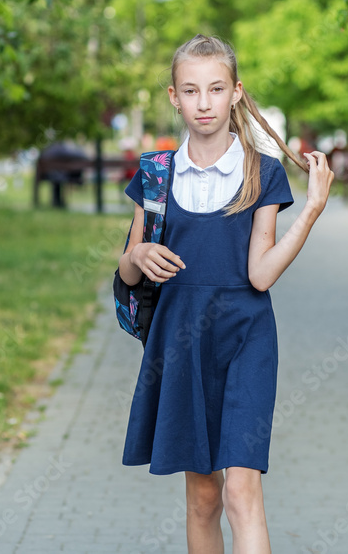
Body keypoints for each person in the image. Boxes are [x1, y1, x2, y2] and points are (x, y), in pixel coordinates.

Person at [117, 34, 335, 553]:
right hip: (180, 341)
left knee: (241, 489)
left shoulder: (263, 171)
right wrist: (138, 256)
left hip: (246, 341)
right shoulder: (155, 175)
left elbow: (260, 275)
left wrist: (309, 212)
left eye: (216, 89)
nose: (204, 102)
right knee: (202, 498)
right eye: (191, 91)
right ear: (174, 97)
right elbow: (128, 272)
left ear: (236, 92)